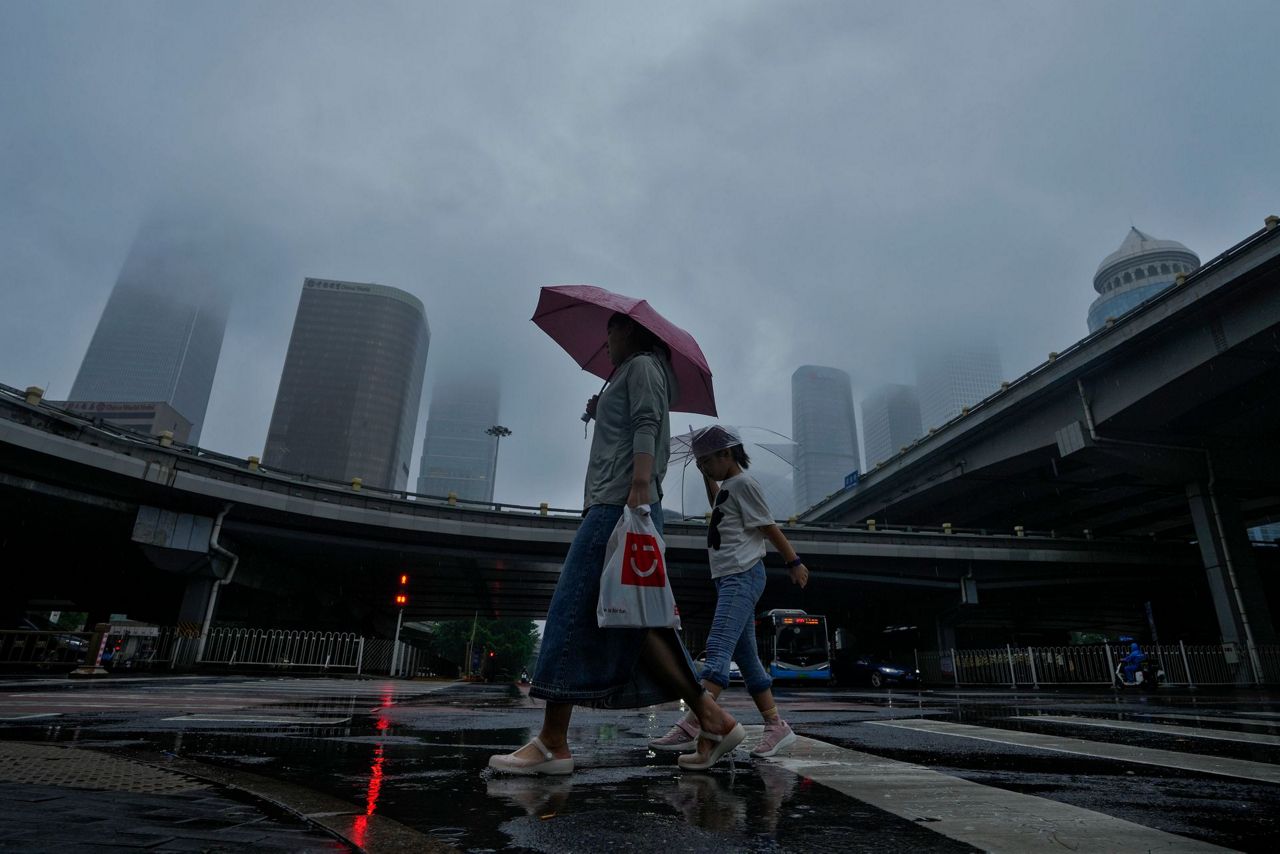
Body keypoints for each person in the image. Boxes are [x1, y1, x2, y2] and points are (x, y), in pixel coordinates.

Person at [489, 314, 743, 776]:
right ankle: (713, 719)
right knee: (640, 623)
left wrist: (639, 485)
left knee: (572, 608)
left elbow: (646, 422)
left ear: (630, 331)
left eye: (611, 330)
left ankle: (551, 742)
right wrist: (604, 405)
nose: (605, 341)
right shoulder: (633, 374)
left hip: (619, 503)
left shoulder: (643, 365)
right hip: (624, 501)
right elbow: (633, 421)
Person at [650, 425, 809, 765]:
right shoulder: (728, 488)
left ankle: (696, 723)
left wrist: (793, 561)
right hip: (728, 578)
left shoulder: (745, 484)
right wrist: (708, 478)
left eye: (707, 460)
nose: (704, 466)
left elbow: (768, 526)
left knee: (718, 648)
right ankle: (775, 725)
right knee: (748, 659)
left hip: (742, 574)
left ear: (727, 454)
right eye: (700, 462)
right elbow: (717, 502)